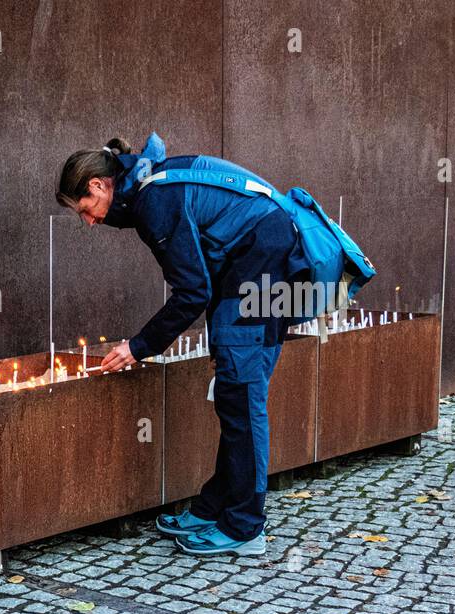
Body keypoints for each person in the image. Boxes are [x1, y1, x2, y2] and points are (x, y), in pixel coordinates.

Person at [58, 133, 316, 557]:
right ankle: (215, 506)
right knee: (233, 395)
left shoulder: (153, 201)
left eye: (85, 210)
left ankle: (245, 528)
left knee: (242, 396)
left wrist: (138, 346)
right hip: (253, 267)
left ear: (100, 186)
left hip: (263, 270)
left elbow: (192, 292)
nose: (89, 222)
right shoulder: (150, 184)